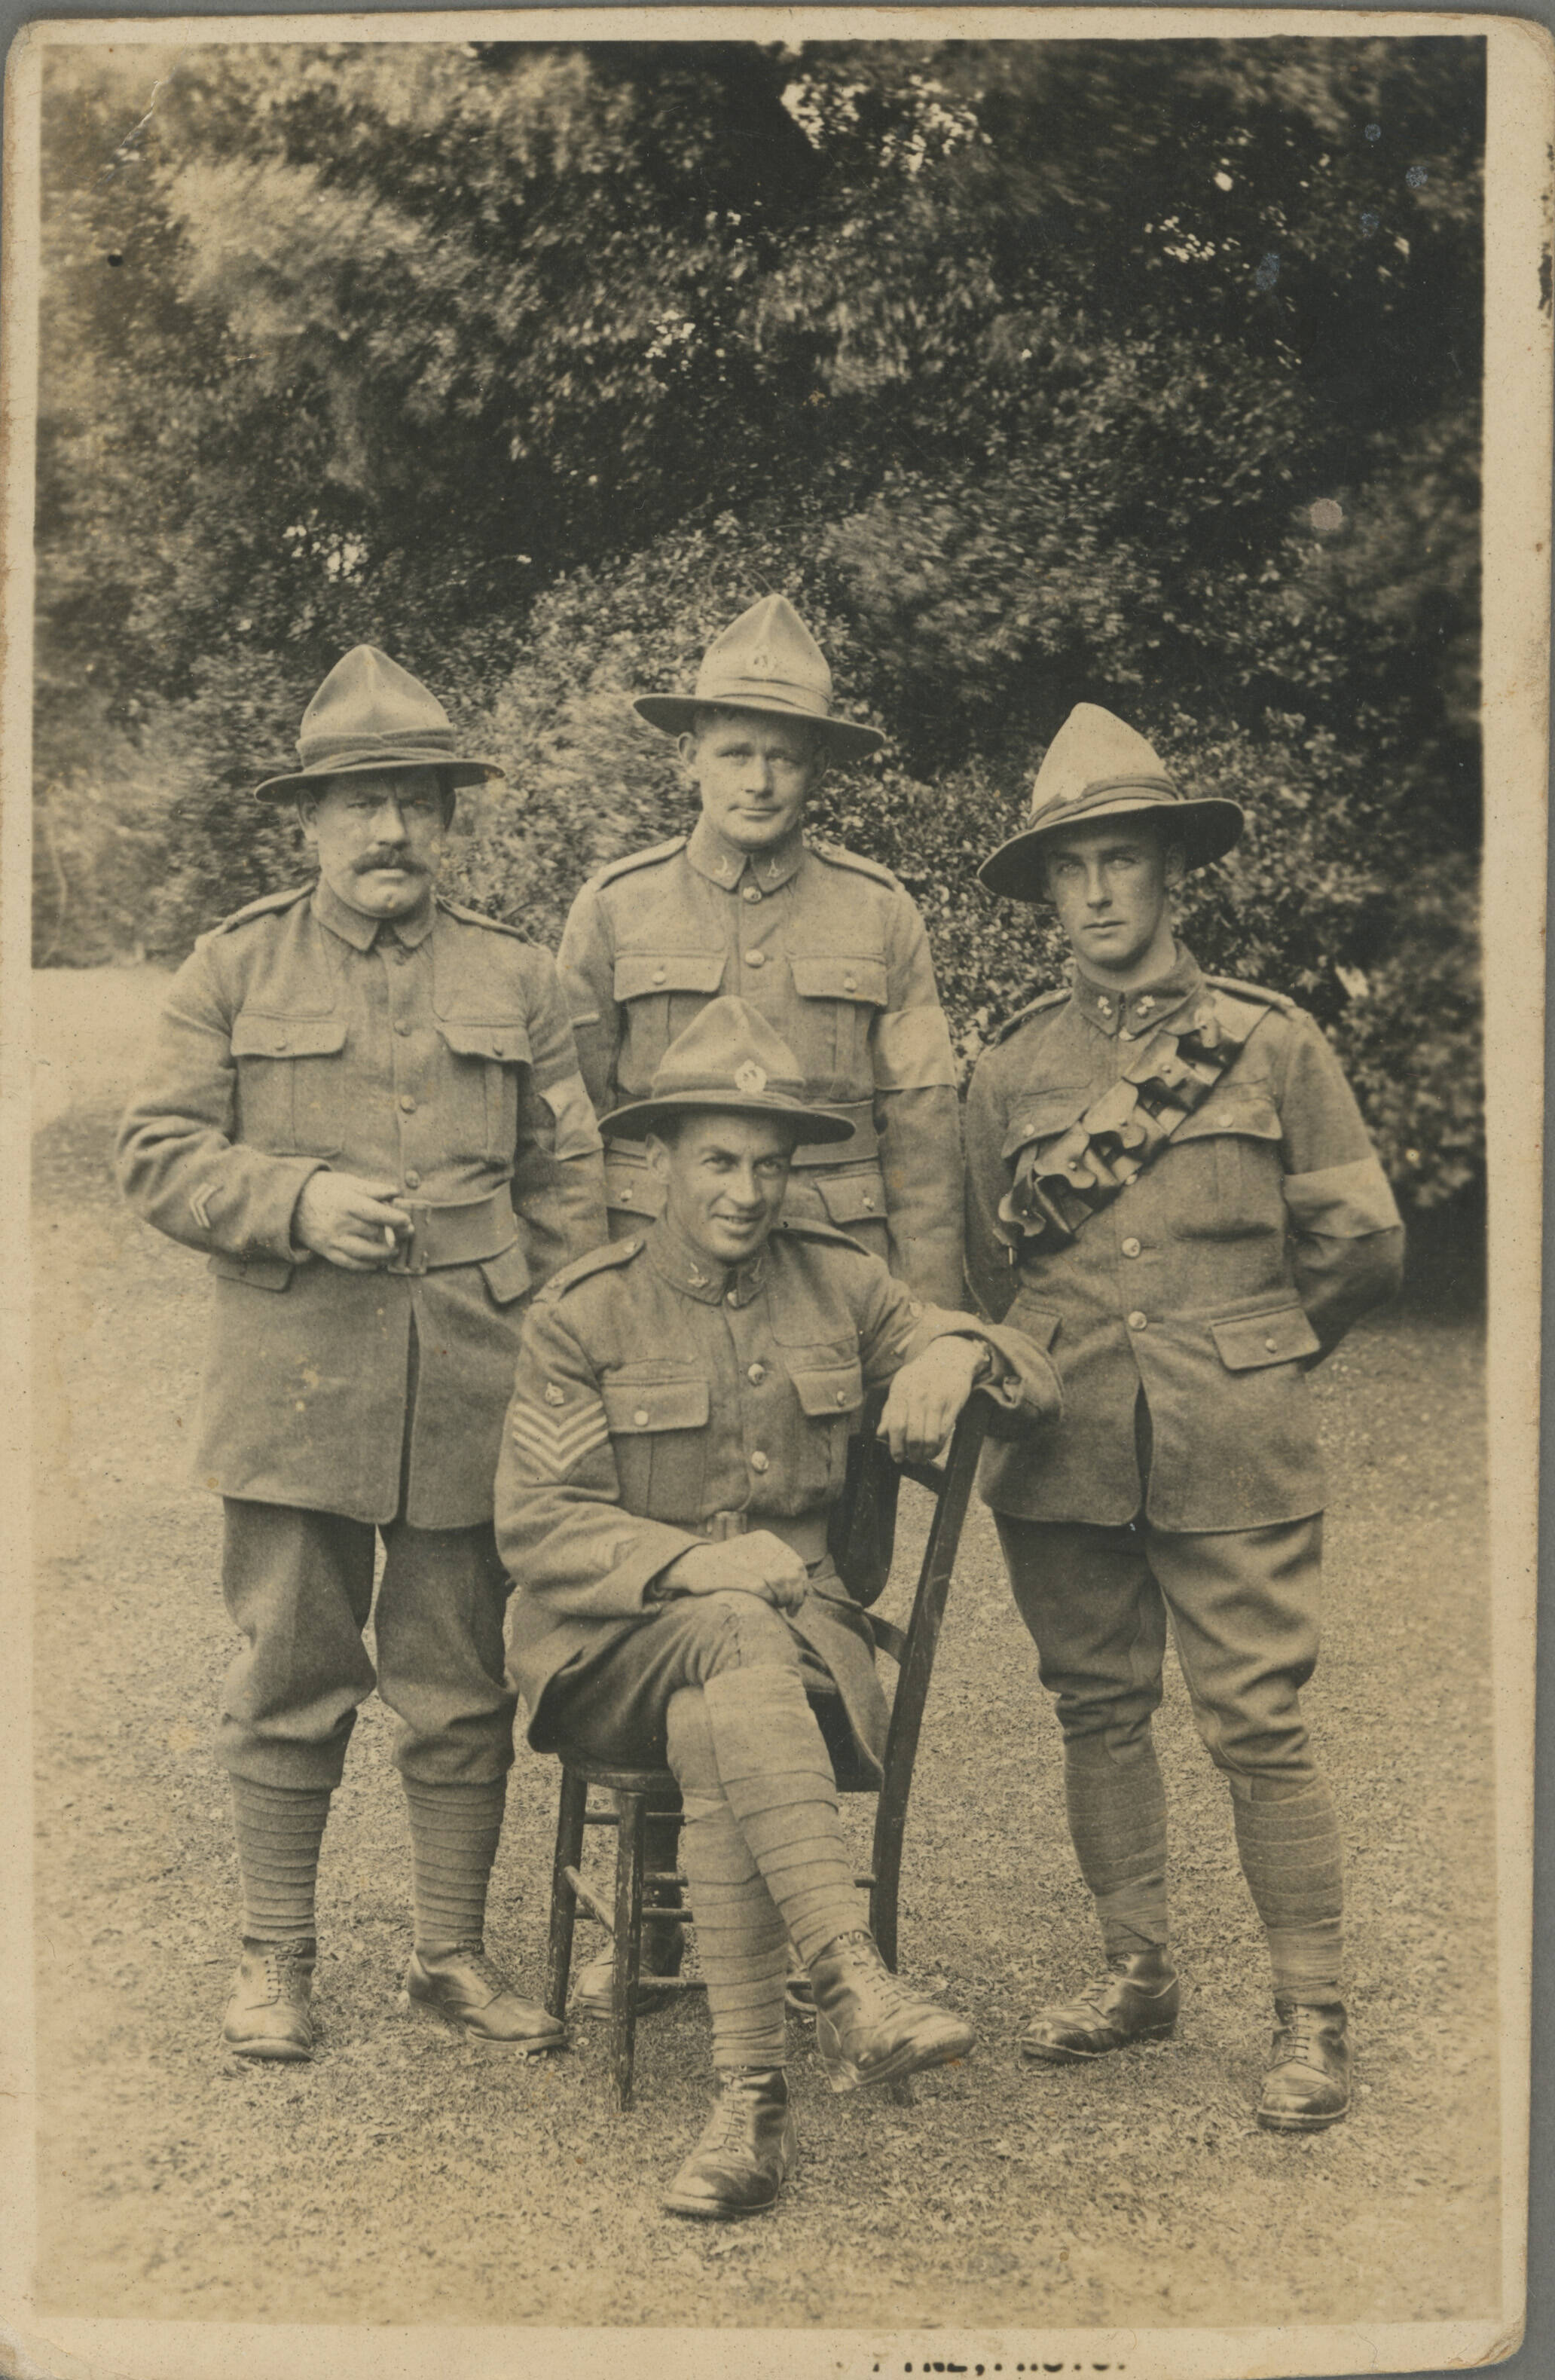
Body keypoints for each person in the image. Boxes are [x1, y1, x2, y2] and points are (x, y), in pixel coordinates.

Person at [117, 646, 607, 2064]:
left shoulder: (520, 975)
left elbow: (570, 1180)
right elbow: (155, 1153)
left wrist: (556, 1353)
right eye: (359, 804)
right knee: (289, 1669)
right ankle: (275, 1957)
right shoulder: (233, 962)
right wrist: (295, 1200)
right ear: (311, 823)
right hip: (296, 1380)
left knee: (461, 1680)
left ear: (449, 820)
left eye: (415, 803)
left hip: (473, 1379)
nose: (389, 830)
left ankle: (449, 1957)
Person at [496, 998, 1059, 2217]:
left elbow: (1035, 1378)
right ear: (659, 1160)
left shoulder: (841, 1285)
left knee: (722, 1711)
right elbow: (539, 1526)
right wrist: (692, 1565)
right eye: (718, 1161)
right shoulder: (584, 1310)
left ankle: (750, 2102)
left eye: (769, 1165)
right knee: (727, 1636)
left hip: (797, 1657)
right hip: (607, 1653)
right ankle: (848, 1975)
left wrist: (959, 1351)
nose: (746, 1192)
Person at [964, 702, 1404, 2134]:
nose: (1099, 892)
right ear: (1048, 891)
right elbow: (982, 1272)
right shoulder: (1011, 1065)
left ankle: (1310, 2016)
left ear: (1170, 872)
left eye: (1123, 860)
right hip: (1066, 1441)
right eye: (1072, 868)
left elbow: (1361, 1239)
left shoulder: (1270, 1042)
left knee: (1258, 1723)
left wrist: (1260, 1353)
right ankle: (1136, 1973)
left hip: (1233, 1438)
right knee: (1097, 1713)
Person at [557, 592, 967, 2009]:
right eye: (736, 749)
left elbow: (923, 1131)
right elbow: (568, 1126)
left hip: (829, 1336)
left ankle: (791, 1922)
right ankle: (661, 1927)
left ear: (819, 769)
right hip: (653, 1324)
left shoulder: (881, 913)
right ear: (692, 756)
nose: (760, 778)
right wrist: (584, 1306)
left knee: (814, 1596)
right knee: (664, 1593)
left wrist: (937, 1337)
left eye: (787, 754)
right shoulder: (615, 909)